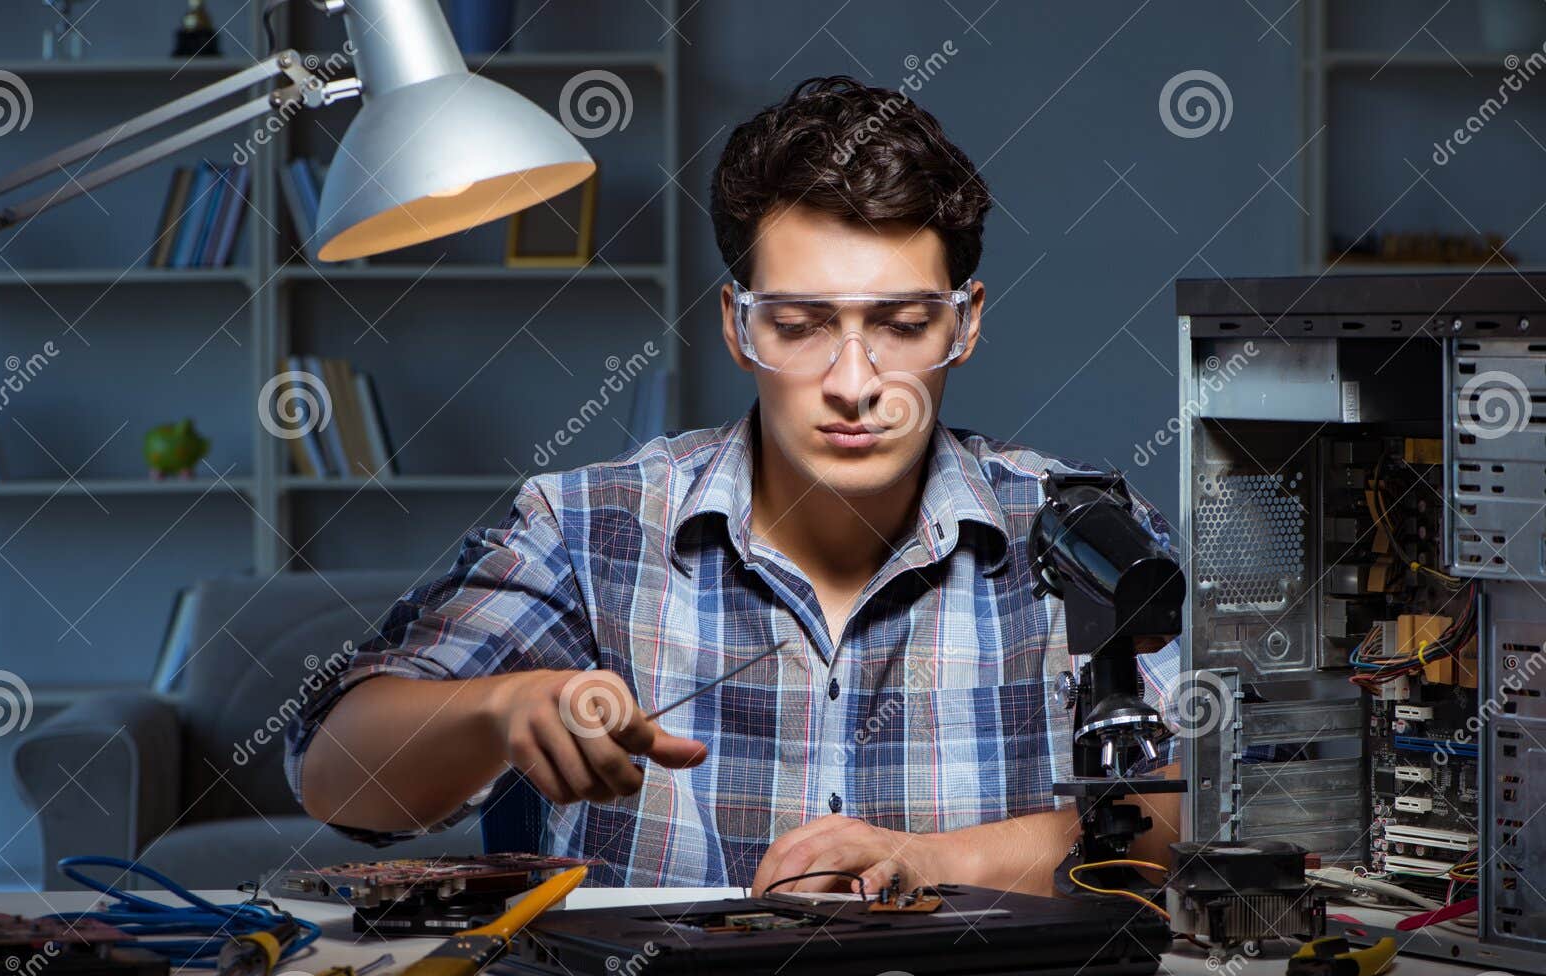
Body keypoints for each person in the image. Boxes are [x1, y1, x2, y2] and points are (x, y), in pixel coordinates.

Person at [284, 75, 1180, 893]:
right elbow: (333, 775)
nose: (855, 381)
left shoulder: (1081, 529)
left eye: (904, 324)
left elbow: (1215, 805)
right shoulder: (594, 527)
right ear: (738, 325)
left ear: (965, 325)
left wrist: (933, 861)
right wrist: (502, 705)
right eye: (799, 325)